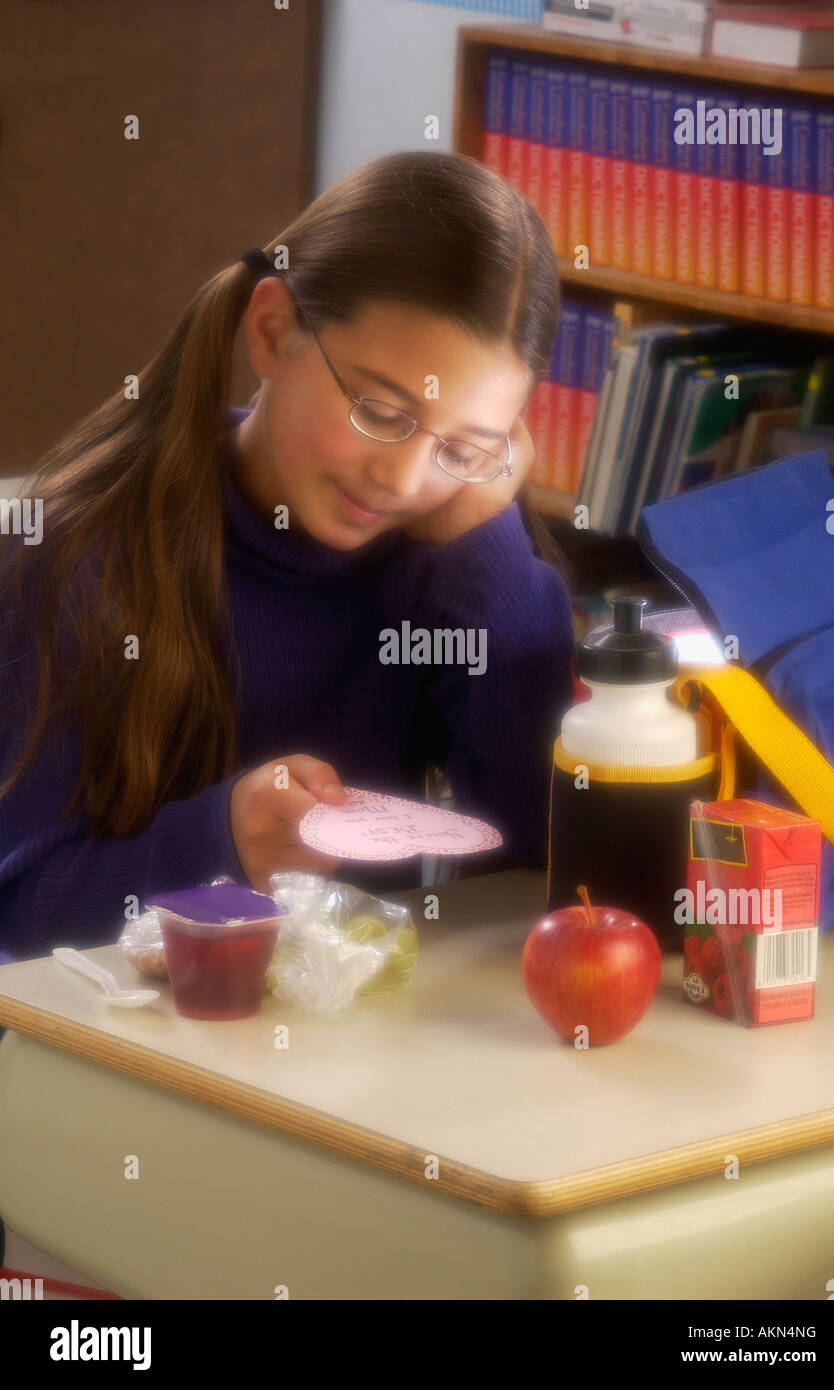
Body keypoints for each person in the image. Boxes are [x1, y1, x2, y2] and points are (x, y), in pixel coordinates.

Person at [0, 151, 575, 962]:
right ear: (272, 331)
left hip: (350, 1054)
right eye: (381, 410)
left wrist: (490, 549)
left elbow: (550, 848)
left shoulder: (442, 558)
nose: (403, 477)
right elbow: (13, 916)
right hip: (108, 1065)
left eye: (466, 447)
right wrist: (221, 849)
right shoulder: (76, 558)